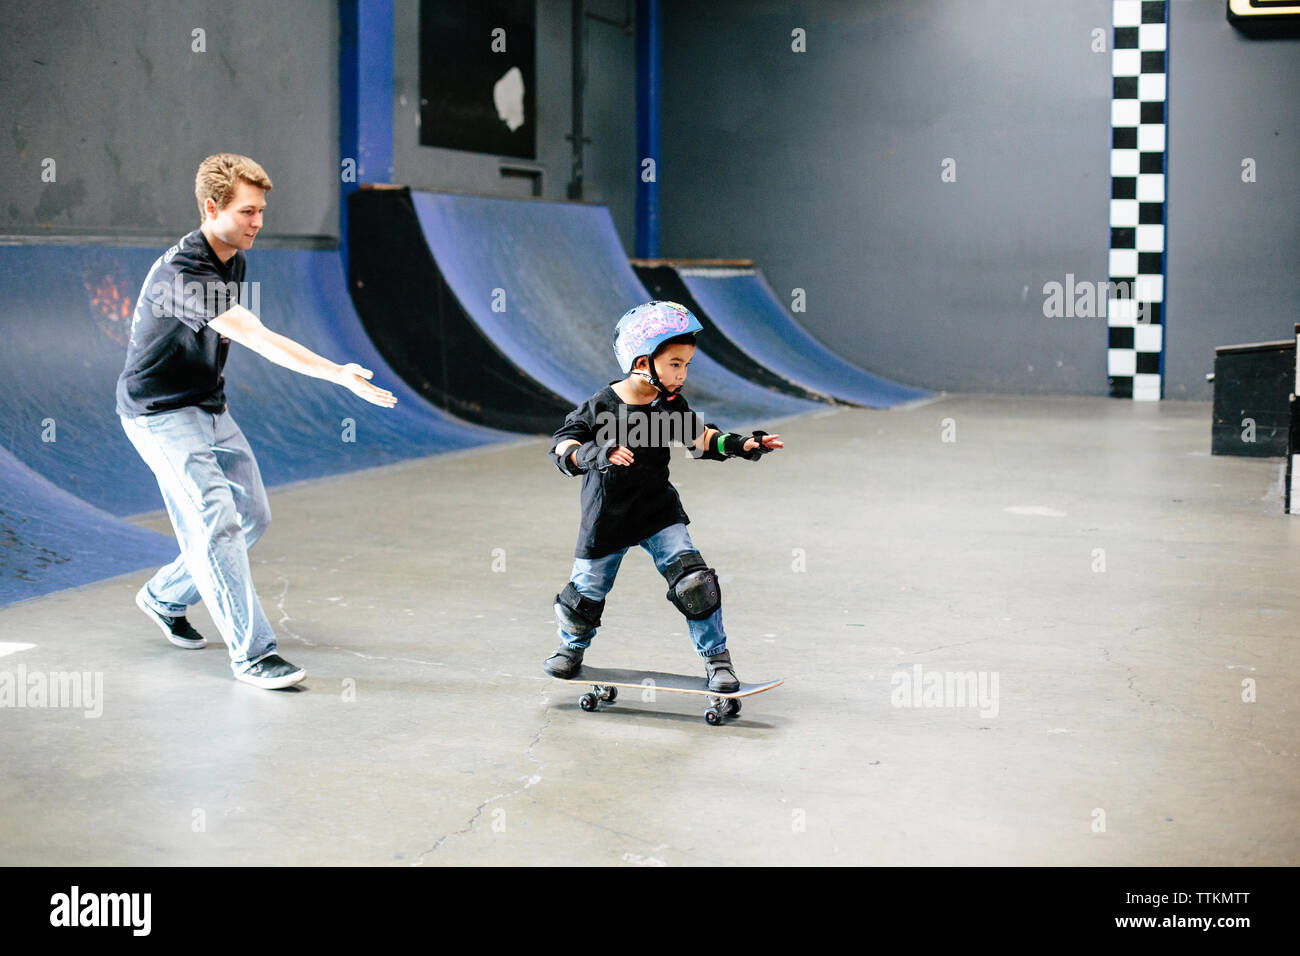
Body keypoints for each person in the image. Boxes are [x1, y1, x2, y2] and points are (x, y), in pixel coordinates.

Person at [116, 153, 396, 689]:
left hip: (206, 404)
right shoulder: (183, 274)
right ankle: (253, 655)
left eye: (261, 210)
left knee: (252, 516)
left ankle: (164, 595)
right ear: (211, 207)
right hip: (160, 414)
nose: (258, 222)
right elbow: (259, 337)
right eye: (247, 211)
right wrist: (336, 372)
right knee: (215, 520)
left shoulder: (232, 257)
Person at [543, 300, 784, 692]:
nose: (682, 374)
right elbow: (562, 446)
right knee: (584, 596)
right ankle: (571, 649)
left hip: (658, 512)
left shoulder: (669, 405)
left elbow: (701, 439)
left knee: (695, 584)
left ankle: (717, 661)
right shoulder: (600, 407)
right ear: (641, 362)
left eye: (687, 365)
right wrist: (595, 453)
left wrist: (744, 444)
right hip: (606, 517)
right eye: (675, 364)